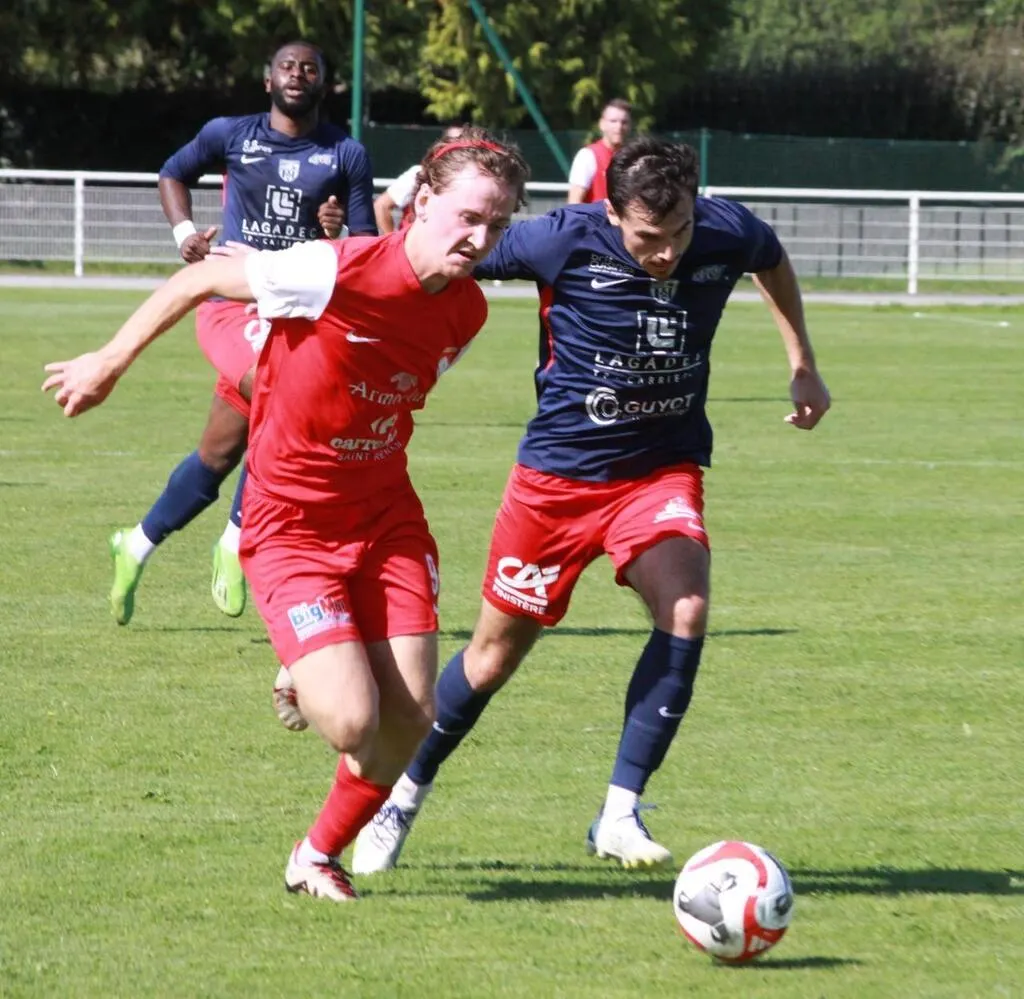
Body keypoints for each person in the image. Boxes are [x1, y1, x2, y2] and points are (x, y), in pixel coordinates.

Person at [43, 126, 531, 903]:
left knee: (411, 718)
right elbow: (200, 281)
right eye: (470, 217)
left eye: (498, 225)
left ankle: (314, 855)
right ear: (424, 201)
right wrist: (108, 360)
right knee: (349, 723)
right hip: (290, 523)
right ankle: (308, 657)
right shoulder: (333, 269)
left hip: (385, 519)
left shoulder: (466, 313)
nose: (481, 238)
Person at [348, 136, 832, 876]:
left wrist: (802, 364)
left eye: (676, 237)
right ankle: (402, 791)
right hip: (557, 483)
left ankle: (618, 812)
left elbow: (771, 259)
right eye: (645, 240)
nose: (664, 255)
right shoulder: (557, 240)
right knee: (490, 658)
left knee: (686, 609)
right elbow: (440, 257)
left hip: (660, 470)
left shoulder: (728, 230)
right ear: (611, 214)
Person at [107, 39, 377, 626]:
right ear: (268, 80)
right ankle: (235, 542)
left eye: (311, 66)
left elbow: (366, 247)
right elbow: (173, 173)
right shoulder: (232, 134)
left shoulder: (346, 153)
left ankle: (136, 545)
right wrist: (183, 235)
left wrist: (334, 233)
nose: (298, 74)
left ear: (325, 83)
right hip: (234, 300)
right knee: (281, 397)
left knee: (219, 452)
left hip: (301, 310)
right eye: (288, 65)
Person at [373, 124, 465, 233]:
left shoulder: (472, 182)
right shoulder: (418, 174)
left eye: (463, 142)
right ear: (443, 144)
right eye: (454, 141)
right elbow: (381, 206)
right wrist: (392, 242)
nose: (457, 147)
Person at [566, 98, 632, 204]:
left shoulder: (633, 158)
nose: (619, 127)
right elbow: (574, 203)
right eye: (613, 121)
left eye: (624, 122)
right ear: (602, 124)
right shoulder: (587, 156)